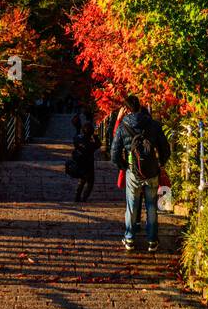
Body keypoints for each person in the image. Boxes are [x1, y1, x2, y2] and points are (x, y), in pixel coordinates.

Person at [111, 94, 171, 252]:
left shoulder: (123, 126)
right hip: (151, 171)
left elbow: (114, 153)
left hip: (133, 171)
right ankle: (152, 240)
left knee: (132, 206)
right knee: (151, 206)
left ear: (127, 109)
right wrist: (160, 164)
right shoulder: (154, 125)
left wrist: (124, 166)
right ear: (139, 106)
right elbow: (165, 148)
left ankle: (129, 238)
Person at [71, 121, 100, 203]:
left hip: (80, 162)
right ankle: (84, 198)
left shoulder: (78, 139)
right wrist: (95, 137)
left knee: (82, 180)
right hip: (89, 164)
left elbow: (75, 140)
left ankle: (77, 197)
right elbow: (98, 145)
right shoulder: (91, 144)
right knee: (90, 182)